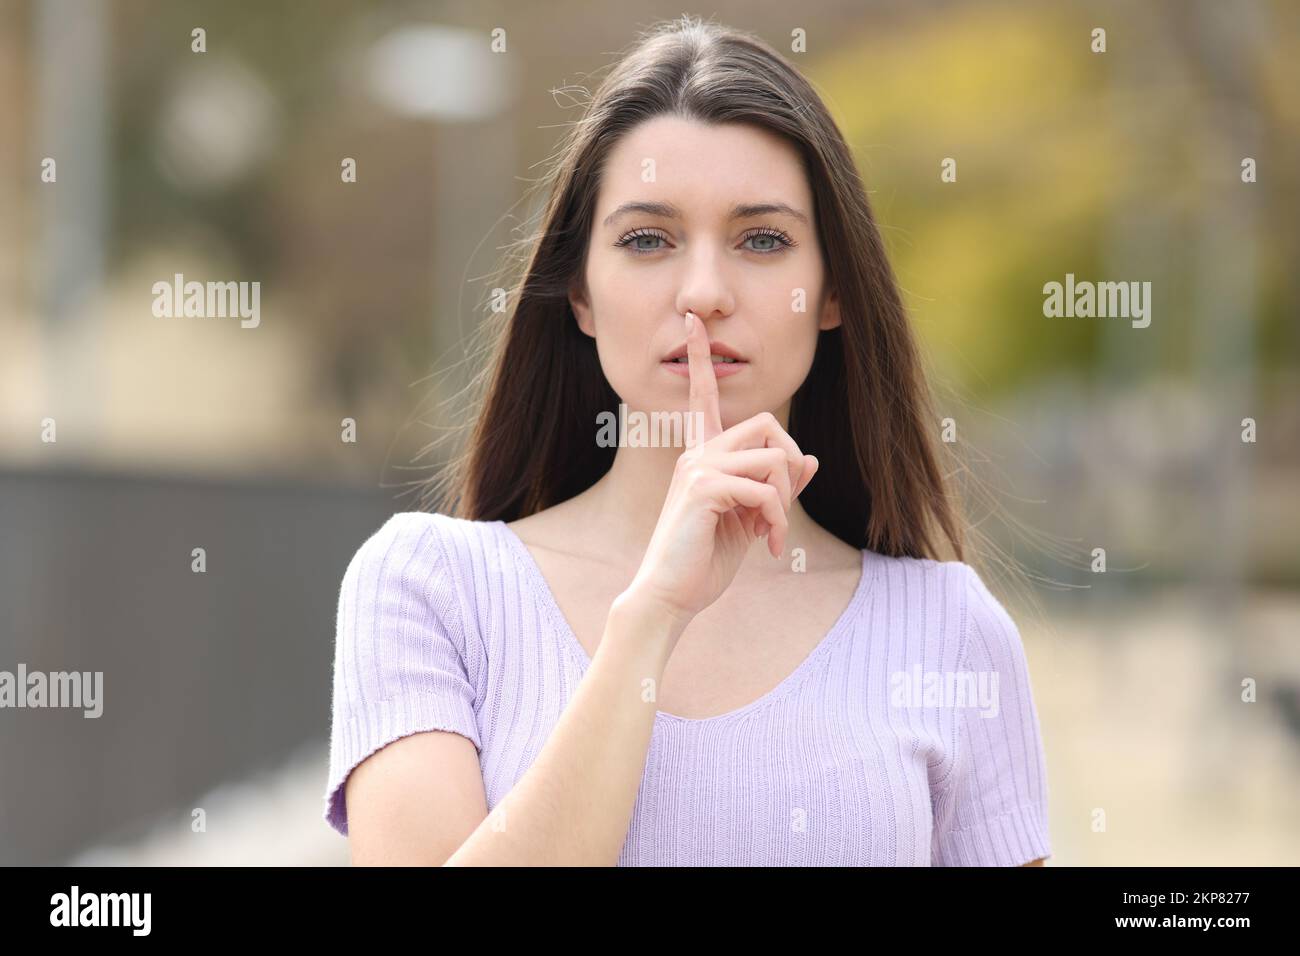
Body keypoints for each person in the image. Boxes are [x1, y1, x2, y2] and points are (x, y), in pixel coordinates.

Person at [323, 15, 1051, 866]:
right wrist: (652, 617)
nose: (703, 291)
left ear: (832, 291)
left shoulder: (949, 630)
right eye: (647, 239)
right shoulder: (430, 590)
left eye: (763, 240)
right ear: (581, 295)